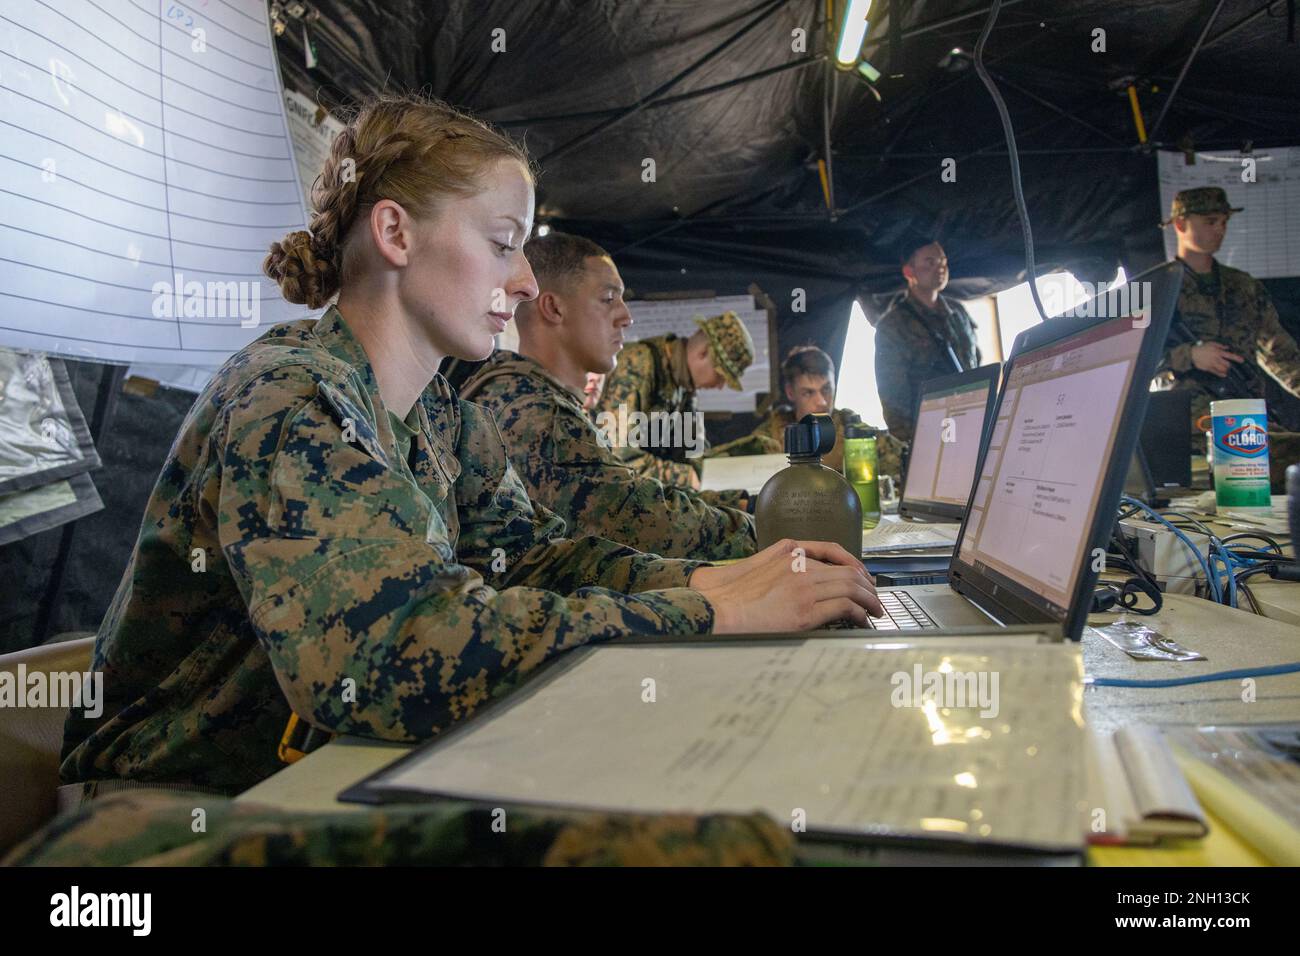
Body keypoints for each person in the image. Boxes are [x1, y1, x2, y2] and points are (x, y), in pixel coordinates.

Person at [58, 95, 880, 796]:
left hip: (313, 775)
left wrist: (713, 575)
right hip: (166, 803)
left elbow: (532, 559)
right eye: (502, 241)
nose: (524, 281)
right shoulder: (287, 399)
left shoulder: (442, 416)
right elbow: (398, 652)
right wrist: (713, 612)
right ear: (396, 234)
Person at [459, 232, 756, 560]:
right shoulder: (538, 415)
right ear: (554, 308)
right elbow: (639, 519)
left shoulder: (531, 397)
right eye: (608, 298)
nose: (626, 316)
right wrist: (762, 523)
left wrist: (738, 502)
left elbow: (626, 492)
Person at [1158, 187, 1300, 484]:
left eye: (1224, 222)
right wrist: (1190, 355)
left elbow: (1281, 354)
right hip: (1187, 439)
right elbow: (1128, 359)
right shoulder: (1152, 288)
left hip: (1246, 431)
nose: (1220, 230)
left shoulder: (1243, 286)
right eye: (1211, 221)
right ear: (1181, 225)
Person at [596, 310, 755, 488]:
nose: (720, 386)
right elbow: (618, 457)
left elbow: (693, 448)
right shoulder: (638, 365)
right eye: (720, 375)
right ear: (702, 353)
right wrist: (686, 478)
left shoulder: (683, 384)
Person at [716, 345, 905, 485]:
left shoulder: (851, 429)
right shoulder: (770, 436)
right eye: (809, 393)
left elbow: (906, 463)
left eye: (826, 390)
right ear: (791, 393)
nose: (822, 401)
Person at [873, 238, 981, 445]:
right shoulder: (893, 325)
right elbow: (893, 396)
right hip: (929, 434)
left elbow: (975, 364)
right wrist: (912, 446)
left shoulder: (957, 313)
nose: (939, 268)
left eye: (943, 261)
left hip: (971, 423)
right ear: (909, 272)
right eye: (929, 262)